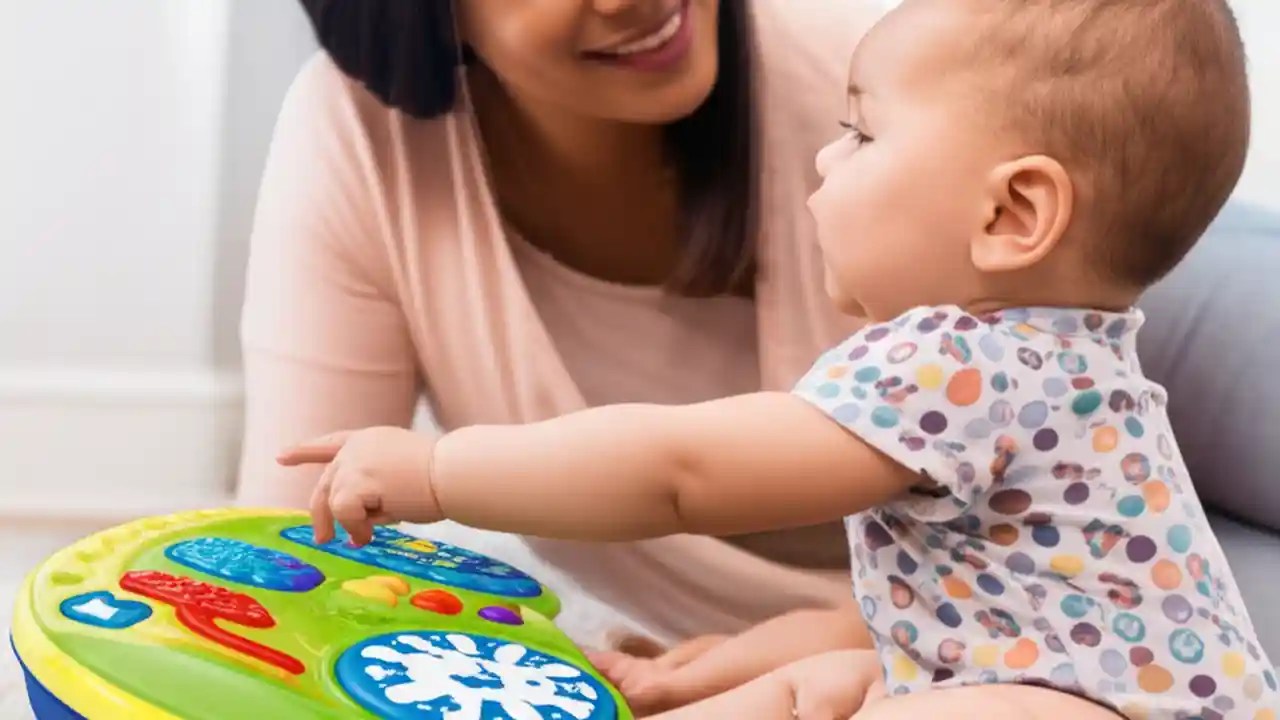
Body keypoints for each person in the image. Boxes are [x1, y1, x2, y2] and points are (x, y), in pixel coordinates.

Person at [279, 0, 1280, 717]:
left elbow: (681, 472)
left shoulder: (959, 361)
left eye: (861, 136)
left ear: (1011, 213)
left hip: (1088, 702)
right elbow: (919, 610)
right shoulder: (1082, 360)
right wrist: (715, 670)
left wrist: (438, 471)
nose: (824, 157)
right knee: (831, 678)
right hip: (1071, 675)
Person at [236, 0, 882, 652]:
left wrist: (852, 651)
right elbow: (288, 569)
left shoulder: (886, 73)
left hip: (930, 648)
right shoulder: (363, 139)